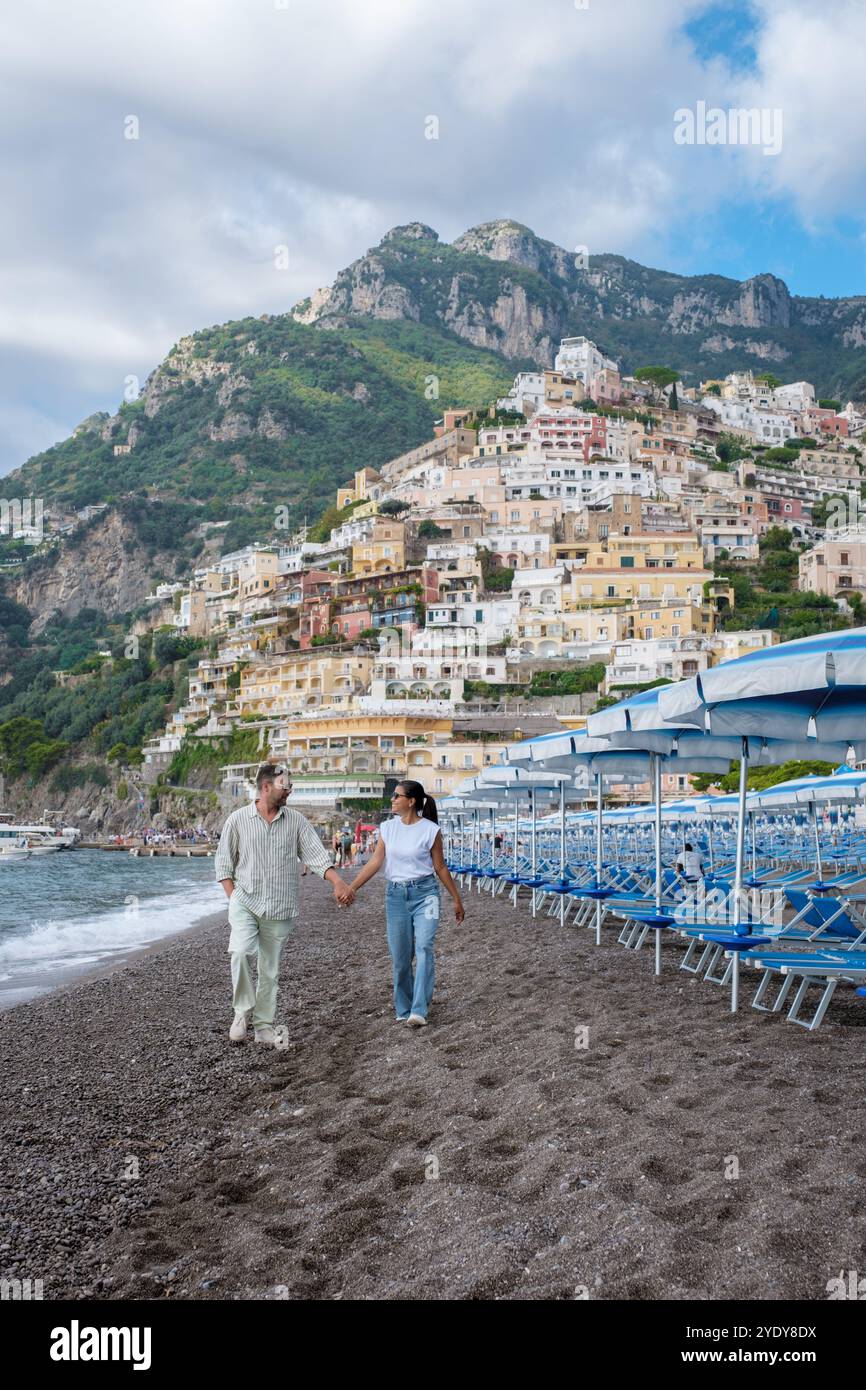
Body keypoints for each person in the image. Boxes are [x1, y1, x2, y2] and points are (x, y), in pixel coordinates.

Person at [215, 763, 353, 1047]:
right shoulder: (237, 820)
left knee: (269, 970)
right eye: (284, 786)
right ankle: (242, 1012)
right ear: (266, 787)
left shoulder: (297, 822)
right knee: (239, 952)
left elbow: (315, 856)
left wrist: (337, 882)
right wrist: (234, 902)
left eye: (290, 786)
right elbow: (223, 866)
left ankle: (263, 1026)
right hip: (244, 902)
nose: (289, 790)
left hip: (280, 907)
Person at [343, 779, 464, 1028]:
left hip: (426, 894)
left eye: (397, 796)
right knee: (400, 957)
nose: (392, 800)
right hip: (396, 896)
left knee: (424, 948)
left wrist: (456, 899)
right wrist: (352, 887)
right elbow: (376, 862)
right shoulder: (387, 828)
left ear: (411, 801)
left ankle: (419, 1009)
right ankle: (403, 1007)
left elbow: (439, 867)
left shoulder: (431, 830)